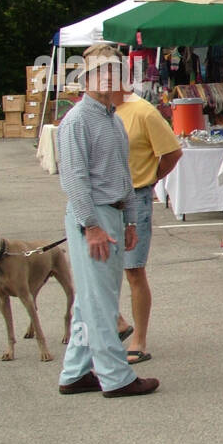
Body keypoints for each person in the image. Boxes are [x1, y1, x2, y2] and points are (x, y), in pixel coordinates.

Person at [56, 45, 158, 397]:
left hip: (111, 213)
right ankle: (116, 377)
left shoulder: (111, 118)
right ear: (85, 77)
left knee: (92, 298)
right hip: (95, 214)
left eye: (113, 71)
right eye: (100, 71)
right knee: (100, 301)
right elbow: (73, 179)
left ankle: (75, 372)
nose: (107, 78)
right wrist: (92, 226)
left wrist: (130, 220)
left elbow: (122, 173)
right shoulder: (76, 121)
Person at [114, 88, 183, 365]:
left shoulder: (143, 112)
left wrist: (150, 180)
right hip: (103, 199)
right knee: (100, 269)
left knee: (133, 270)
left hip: (134, 196)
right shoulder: (97, 109)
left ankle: (139, 339)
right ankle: (117, 322)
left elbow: (172, 153)